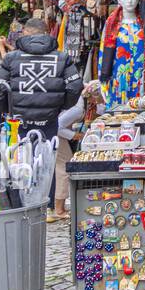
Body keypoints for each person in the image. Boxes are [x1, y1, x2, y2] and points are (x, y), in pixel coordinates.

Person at [0, 16, 83, 140]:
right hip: (49, 121)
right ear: (47, 33)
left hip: (19, 123)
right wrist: (60, 107)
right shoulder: (62, 57)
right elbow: (75, 86)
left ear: (24, 33)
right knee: (47, 155)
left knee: (20, 156)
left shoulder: (11, 58)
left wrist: (10, 109)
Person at [53, 82, 104, 222]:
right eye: (98, 98)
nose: (99, 101)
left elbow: (102, 109)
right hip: (55, 135)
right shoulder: (78, 108)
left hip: (59, 133)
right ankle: (59, 209)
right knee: (64, 167)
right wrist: (75, 135)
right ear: (92, 97)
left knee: (65, 166)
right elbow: (57, 126)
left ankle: (58, 206)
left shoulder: (86, 103)